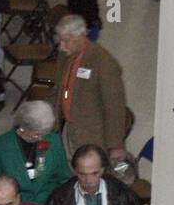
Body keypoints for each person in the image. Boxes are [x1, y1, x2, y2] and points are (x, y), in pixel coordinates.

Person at [54, 15, 128, 162]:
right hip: (69, 129)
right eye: (60, 40)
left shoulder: (104, 63)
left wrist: (115, 146)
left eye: (66, 41)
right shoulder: (65, 55)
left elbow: (115, 108)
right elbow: (60, 88)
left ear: (81, 36)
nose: (61, 46)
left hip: (92, 138)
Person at [0, 100, 72, 205]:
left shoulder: (53, 140)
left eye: (44, 133)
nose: (41, 138)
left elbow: (64, 178)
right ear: (23, 127)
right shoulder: (0, 146)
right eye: (37, 134)